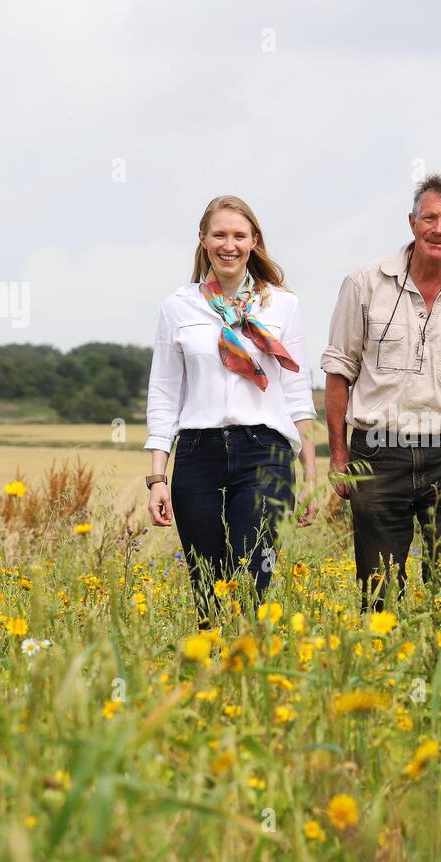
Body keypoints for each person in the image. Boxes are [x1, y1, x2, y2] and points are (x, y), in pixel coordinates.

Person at [321, 174, 441, 608]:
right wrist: (338, 455)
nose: (439, 229)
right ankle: (383, 671)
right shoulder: (364, 284)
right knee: (379, 591)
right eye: (430, 217)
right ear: (412, 222)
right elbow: (338, 373)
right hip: (376, 453)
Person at [145, 195, 317, 629]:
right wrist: (156, 478)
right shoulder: (178, 306)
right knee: (206, 586)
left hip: (265, 450)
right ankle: (209, 681)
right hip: (197, 453)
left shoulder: (282, 305)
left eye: (239, 235)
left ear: (254, 241)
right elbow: (165, 393)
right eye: (219, 234)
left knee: (252, 577)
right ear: (203, 240)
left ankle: (247, 677)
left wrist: (312, 476)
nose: (229, 244)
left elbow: (297, 392)